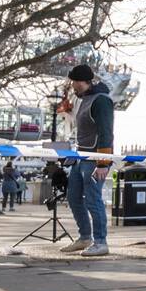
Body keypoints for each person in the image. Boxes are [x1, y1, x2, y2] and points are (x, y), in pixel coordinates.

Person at [56, 64, 114, 257]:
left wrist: (103, 162)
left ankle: (100, 242)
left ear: (82, 81)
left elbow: (106, 133)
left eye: (73, 81)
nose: (72, 84)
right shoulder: (84, 99)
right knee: (73, 198)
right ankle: (85, 237)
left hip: (94, 158)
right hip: (80, 157)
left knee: (93, 200)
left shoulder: (101, 101)